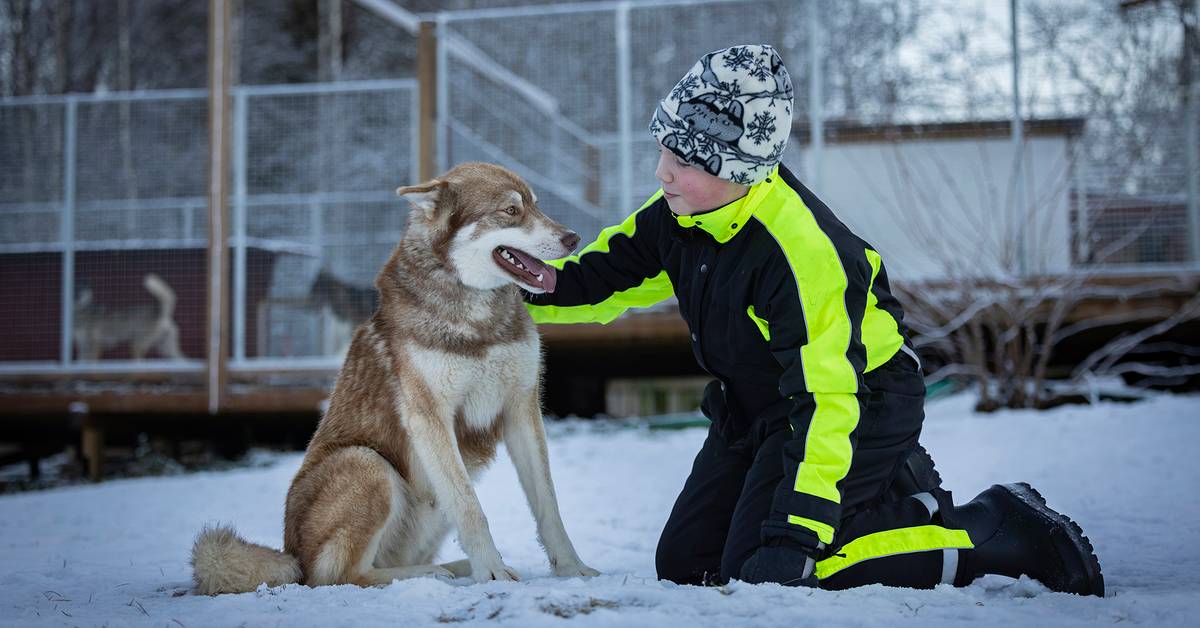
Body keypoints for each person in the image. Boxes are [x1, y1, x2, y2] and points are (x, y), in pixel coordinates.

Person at [523, 44, 1103, 595]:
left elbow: (828, 400)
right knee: (688, 566)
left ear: (737, 166)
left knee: (778, 567)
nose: (661, 173)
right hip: (759, 407)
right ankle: (881, 486)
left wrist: (797, 532)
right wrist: (513, 287)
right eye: (663, 151)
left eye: (681, 160)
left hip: (858, 404)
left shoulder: (802, 256)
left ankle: (990, 530)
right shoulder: (682, 213)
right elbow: (602, 276)